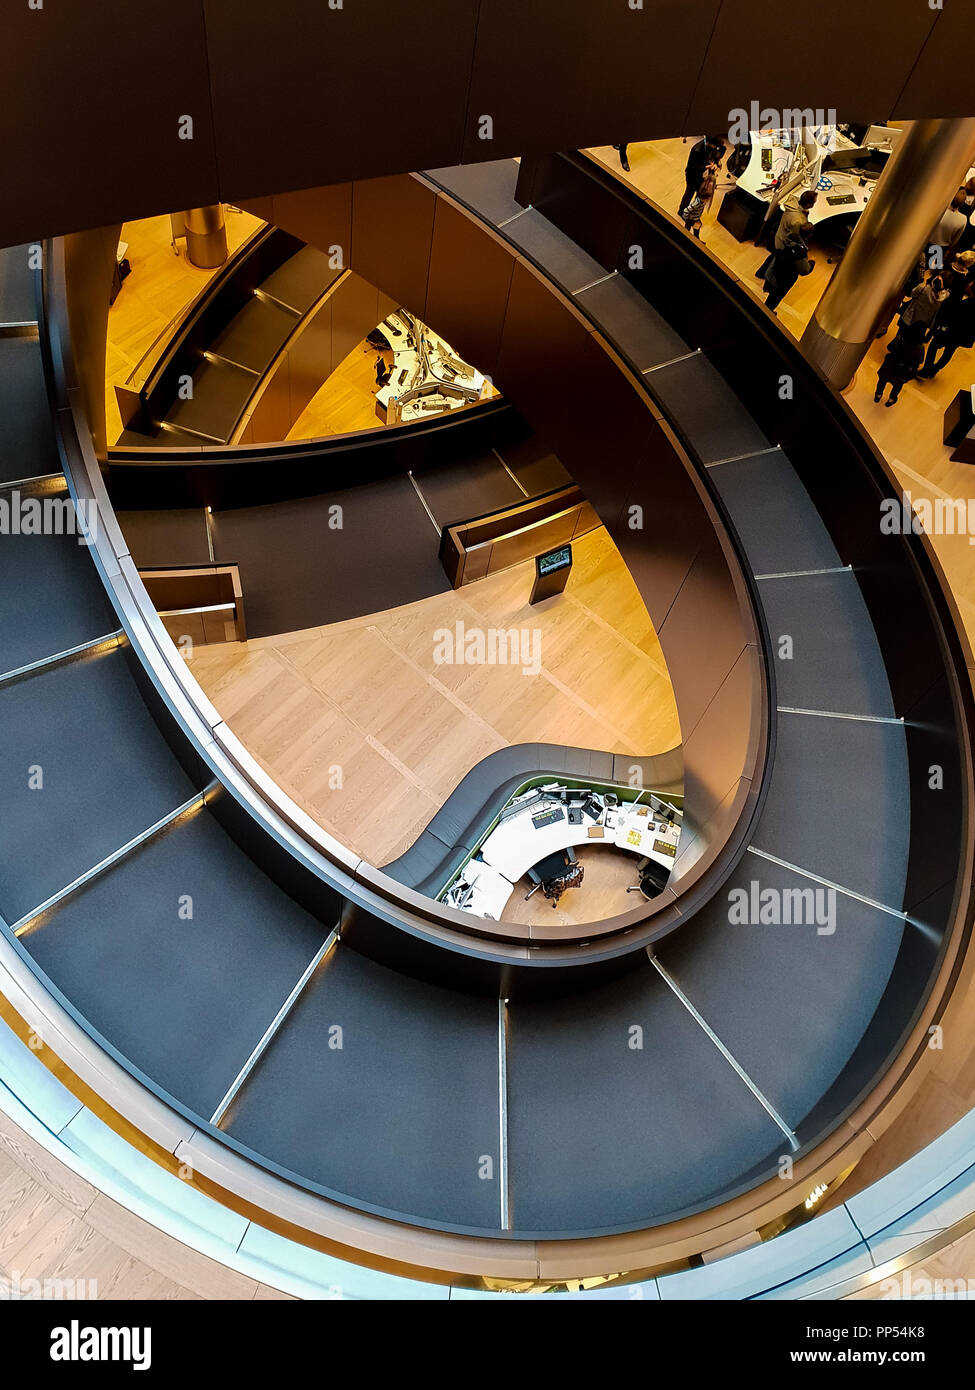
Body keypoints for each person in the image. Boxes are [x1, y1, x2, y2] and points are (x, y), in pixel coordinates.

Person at [920, 278, 975, 378]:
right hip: (962, 336)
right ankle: (934, 369)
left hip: (951, 332)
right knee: (948, 353)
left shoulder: (966, 304)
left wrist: (943, 325)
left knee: (934, 345)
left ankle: (926, 369)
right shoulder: (968, 303)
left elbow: (954, 318)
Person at [875, 323, 925, 406]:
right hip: (904, 371)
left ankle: (878, 395)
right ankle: (891, 399)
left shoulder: (900, 339)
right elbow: (920, 361)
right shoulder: (920, 348)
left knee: (882, 380)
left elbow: (889, 347)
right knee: (898, 386)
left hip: (891, 366)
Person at [679, 135, 725, 215]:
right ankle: (682, 211)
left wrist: (715, 162)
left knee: (700, 195)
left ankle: (693, 212)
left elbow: (718, 151)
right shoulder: (697, 150)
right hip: (692, 175)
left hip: (702, 175)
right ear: (708, 143)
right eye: (714, 146)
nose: (715, 148)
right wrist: (707, 166)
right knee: (689, 193)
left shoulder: (711, 146)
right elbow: (692, 167)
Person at [763, 246, 815, 314]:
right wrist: (812, 262)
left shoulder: (783, 237)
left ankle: (765, 309)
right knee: (774, 299)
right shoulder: (798, 249)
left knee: (772, 296)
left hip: (773, 270)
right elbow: (804, 270)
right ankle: (766, 312)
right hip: (783, 280)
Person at [681, 164, 717, 238]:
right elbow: (686, 210)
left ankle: (696, 239)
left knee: (696, 231)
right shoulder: (697, 202)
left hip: (696, 218)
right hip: (691, 219)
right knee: (687, 230)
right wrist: (687, 218)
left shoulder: (702, 202)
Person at [929, 191, 968, 257]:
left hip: (927, 242)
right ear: (962, 203)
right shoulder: (963, 219)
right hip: (941, 248)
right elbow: (956, 239)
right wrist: (949, 248)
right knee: (933, 266)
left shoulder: (939, 210)